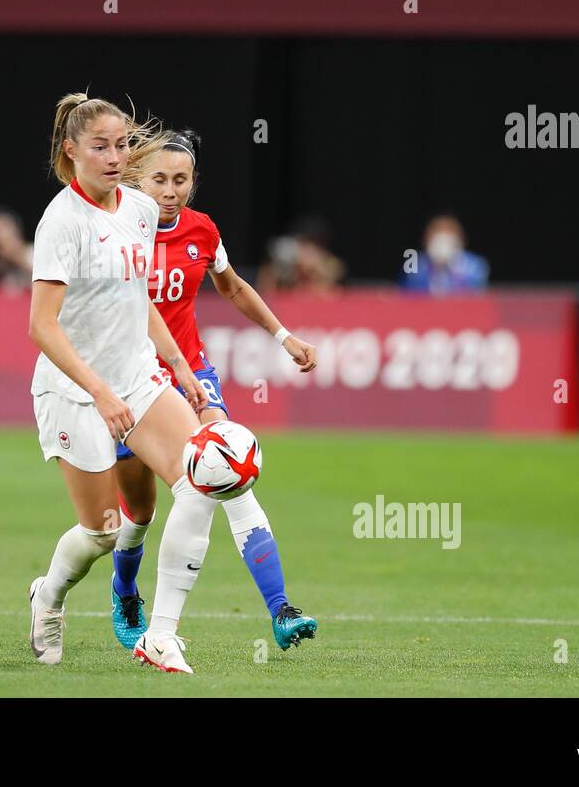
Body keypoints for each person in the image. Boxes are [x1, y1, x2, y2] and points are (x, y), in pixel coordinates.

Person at [110, 128, 320, 653]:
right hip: (129, 382)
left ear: (192, 183)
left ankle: (281, 609)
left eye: (180, 180)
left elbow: (232, 287)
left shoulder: (202, 232)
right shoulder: (116, 228)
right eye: (158, 179)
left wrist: (283, 335)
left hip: (192, 378)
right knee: (137, 513)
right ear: (138, 178)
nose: (169, 190)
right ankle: (124, 589)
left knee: (229, 472)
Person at [27, 92, 217, 674]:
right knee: (103, 533)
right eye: (100, 146)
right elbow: (42, 326)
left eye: (123, 145)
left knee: (202, 478)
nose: (115, 157)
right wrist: (101, 394)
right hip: (73, 391)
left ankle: (161, 634)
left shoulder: (137, 208)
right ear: (72, 151)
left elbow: (139, 298)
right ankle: (49, 596)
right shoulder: (62, 222)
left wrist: (180, 365)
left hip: (137, 373)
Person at [400, 214, 489, 294]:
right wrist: (435, 269)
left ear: (460, 241)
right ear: (426, 242)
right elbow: (407, 292)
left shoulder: (475, 264)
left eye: (448, 242)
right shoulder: (415, 264)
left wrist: (452, 268)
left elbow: (476, 292)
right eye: (437, 242)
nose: (442, 247)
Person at [257, 214, 345, 293]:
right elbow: (265, 291)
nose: (308, 251)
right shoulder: (281, 264)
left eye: (313, 246)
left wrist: (315, 273)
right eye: (304, 244)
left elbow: (334, 294)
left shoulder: (332, 265)